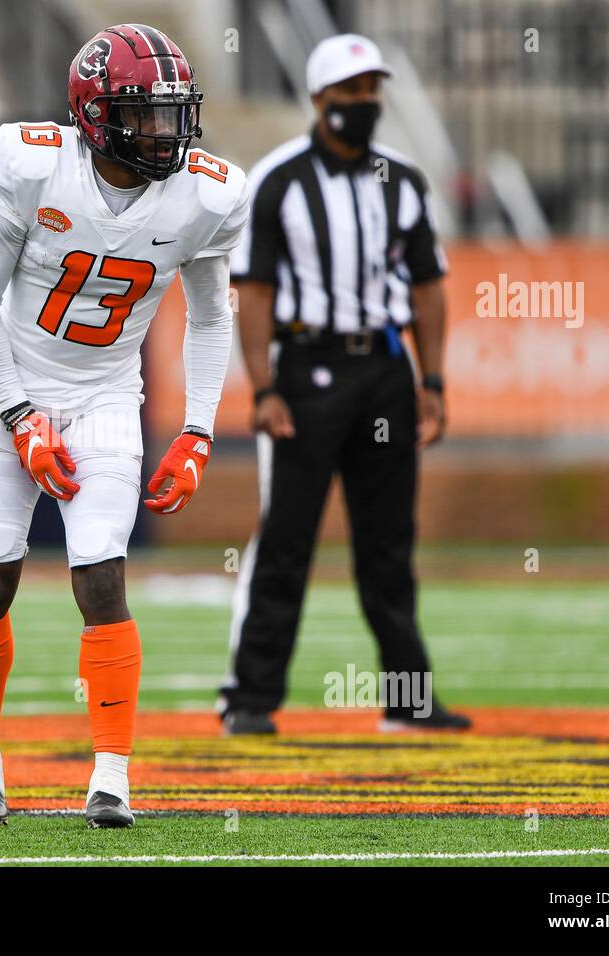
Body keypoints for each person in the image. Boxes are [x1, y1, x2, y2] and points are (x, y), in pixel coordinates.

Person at [0, 24, 250, 826]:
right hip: (4, 384)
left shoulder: (205, 195)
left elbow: (210, 315)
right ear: (96, 114)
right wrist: (19, 418)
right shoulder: (33, 169)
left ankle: (112, 779)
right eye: (146, 114)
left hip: (106, 399)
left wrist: (196, 434)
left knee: (102, 574)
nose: (167, 132)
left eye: (173, 113)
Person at [219, 34, 470, 735]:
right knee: (288, 538)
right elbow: (257, 291)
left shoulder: (403, 178)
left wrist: (433, 378)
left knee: (390, 542)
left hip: (385, 372)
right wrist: (264, 389)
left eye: (372, 90)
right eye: (352, 91)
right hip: (307, 373)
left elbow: (428, 286)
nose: (366, 103)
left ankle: (408, 699)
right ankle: (249, 696)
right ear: (320, 97)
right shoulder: (279, 178)